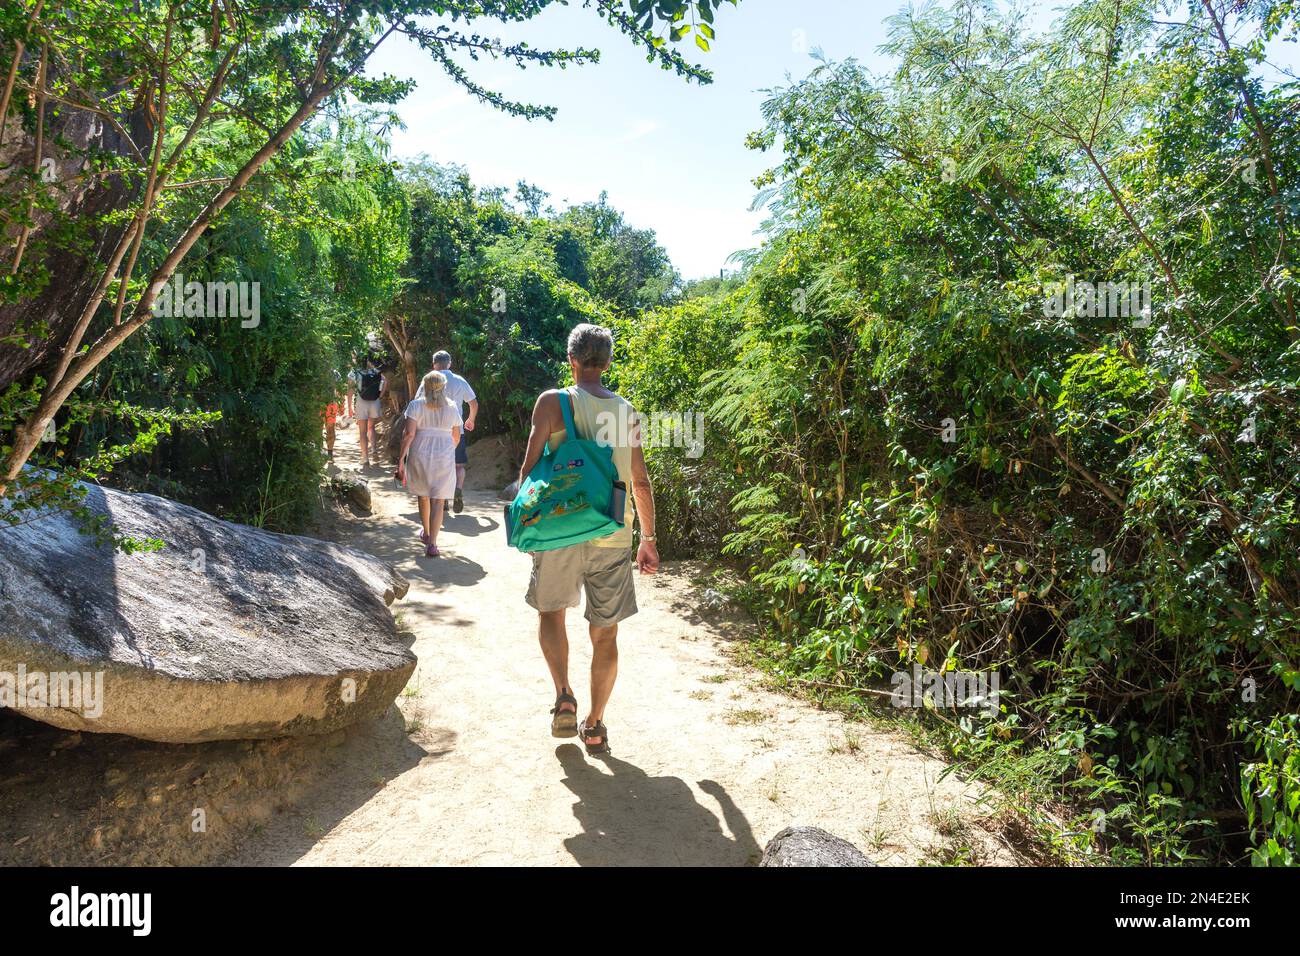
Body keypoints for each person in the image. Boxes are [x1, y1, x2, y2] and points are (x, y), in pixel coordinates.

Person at [517, 323, 659, 756]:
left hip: (559, 529)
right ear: (608, 363)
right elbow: (639, 480)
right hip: (613, 530)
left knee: (550, 613)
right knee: (606, 634)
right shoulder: (625, 412)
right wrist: (648, 539)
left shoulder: (551, 403)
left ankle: (563, 694)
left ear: (571, 361)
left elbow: (528, 472)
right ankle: (595, 724)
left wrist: (527, 526)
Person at [397, 370, 463, 558]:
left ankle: (425, 533)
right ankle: (433, 544)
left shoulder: (415, 405)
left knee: (423, 495)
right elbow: (456, 437)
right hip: (444, 454)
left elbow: (409, 434)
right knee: (438, 500)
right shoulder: (451, 407)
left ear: (424, 386)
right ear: (444, 387)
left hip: (420, 452)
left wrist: (401, 459)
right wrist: (446, 449)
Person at [416, 351, 478, 513]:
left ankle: (441, 498)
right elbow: (473, 403)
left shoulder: (428, 381)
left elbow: (417, 403)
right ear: (449, 363)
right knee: (458, 465)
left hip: (435, 432)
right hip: (456, 430)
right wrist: (470, 420)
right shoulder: (459, 380)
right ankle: (457, 490)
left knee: (437, 465)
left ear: (434, 363)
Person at [351, 353, 386, 468]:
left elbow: (350, 388)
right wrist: (380, 395)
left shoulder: (355, 372)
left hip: (361, 402)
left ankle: (365, 457)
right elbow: (385, 381)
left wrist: (349, 405)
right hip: (374, 401)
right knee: (371, 428)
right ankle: (374, 450)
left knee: (362, 431)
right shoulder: (374, 371)